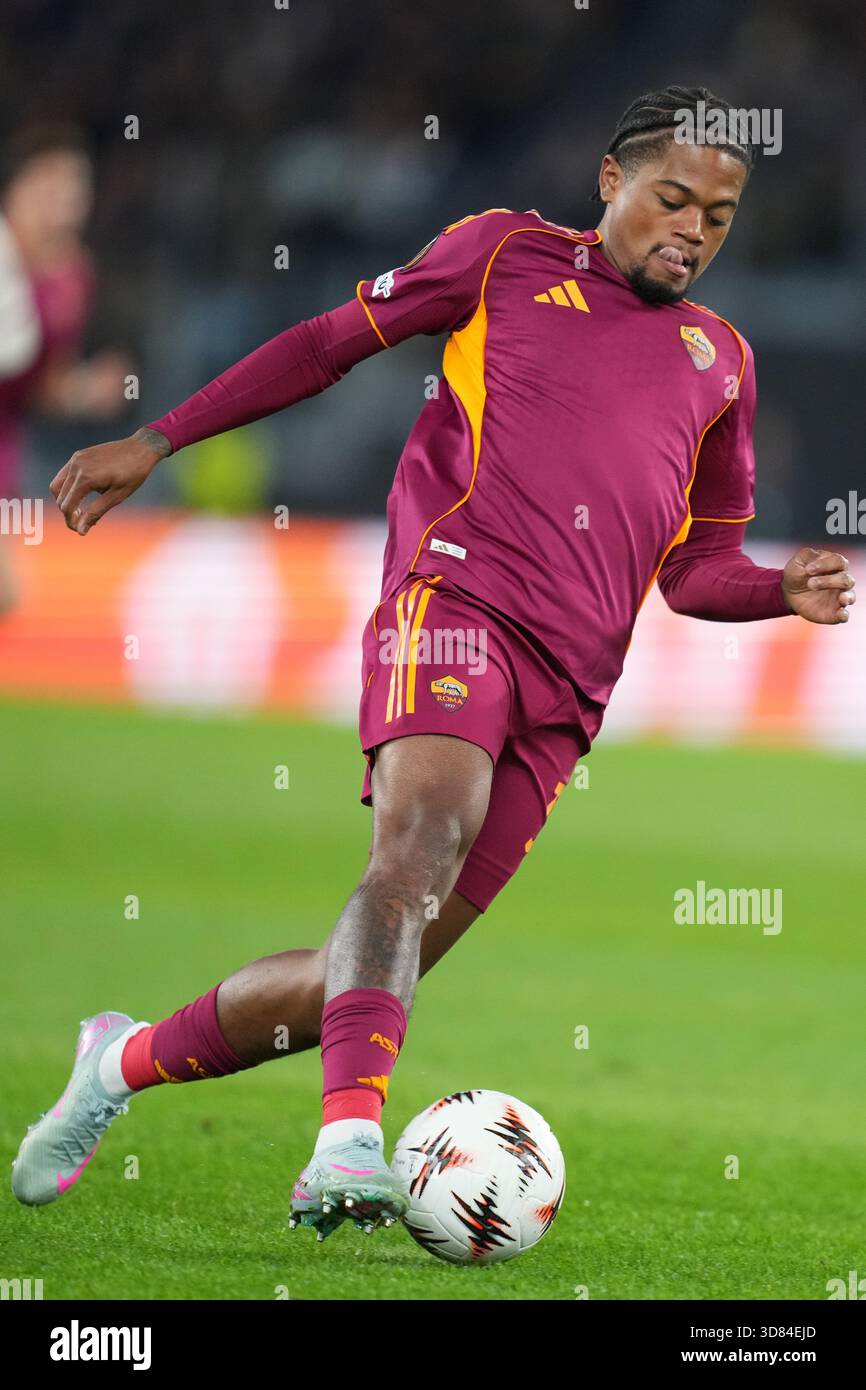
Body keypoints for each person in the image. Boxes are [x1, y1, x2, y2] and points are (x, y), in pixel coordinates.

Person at [13, 87, 855, 1240]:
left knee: (354, 976)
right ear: (610, 183)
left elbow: (693, 569)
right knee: (411, 847)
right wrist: (158, 438)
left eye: (716, 216)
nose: (691, 231)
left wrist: (777, 591)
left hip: (567, 699)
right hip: (452, 605)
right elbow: (322, 347)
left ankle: (118, 1063)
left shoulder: (721, 364)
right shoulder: (501, 253)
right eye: (671, 199)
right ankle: (346, 1145)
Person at [0, 124, 131, 614]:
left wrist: (85, 391)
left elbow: (45, 385)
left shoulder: (72, 278)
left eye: (75, 185)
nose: (63, 197)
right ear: (17, 186)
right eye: (50, 182)